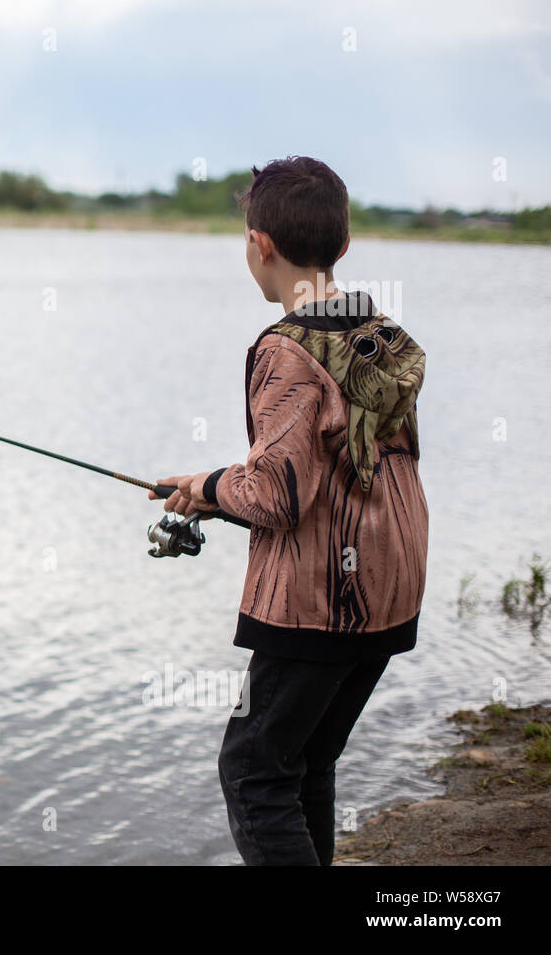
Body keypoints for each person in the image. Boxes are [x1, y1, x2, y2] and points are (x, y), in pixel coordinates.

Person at [151, 156, 428, 866]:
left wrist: (215, 485)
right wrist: (211, 489)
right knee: (306, 759)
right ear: (340, 247)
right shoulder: (370, 325)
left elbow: (276, 495)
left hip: (321, 601)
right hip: (390, 584)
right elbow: (324, 476)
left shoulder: (285, 351)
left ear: (259, 244)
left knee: (251, 772)